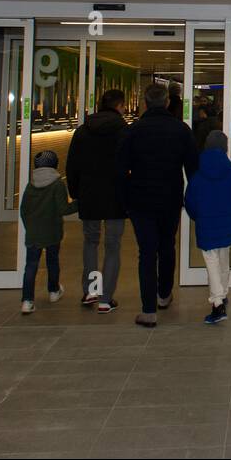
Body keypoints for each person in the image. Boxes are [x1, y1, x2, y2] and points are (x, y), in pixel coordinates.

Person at [116, 82, 199, 328]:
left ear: (144, 103)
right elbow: (192, 168)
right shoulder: (181, 130)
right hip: (170, 198)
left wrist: (125, 199)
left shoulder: (134, 130)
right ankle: (164, 294)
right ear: (166, 103)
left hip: (140, 200)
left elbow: (120, 169)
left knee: (146, 253)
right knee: (167, 247)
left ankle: (148, 309)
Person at [66, 89, 129, 313]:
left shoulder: (83, 131)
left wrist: (76, 193)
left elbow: (71, 166)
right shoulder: (123, 131)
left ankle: (91, 290)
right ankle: (106, 298)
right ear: (119, 106)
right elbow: (130, 163)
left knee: (91, 243)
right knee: (113, 246)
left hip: (89, 195)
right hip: (116, 196)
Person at [184, 131, 231, 325]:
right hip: (228, 225)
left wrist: (199, 218)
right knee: (223, 259)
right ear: (225, 149)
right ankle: (223, 293)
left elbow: (190, 202)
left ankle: (217, 303)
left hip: (206, 225)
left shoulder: (197, 176)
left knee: (211, 261)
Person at [18, 150, 78, 315]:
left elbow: (24, 210)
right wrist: (79, 203)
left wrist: (30, 226)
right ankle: (53, 291)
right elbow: (63, 209)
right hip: (52, 231)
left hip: (33, 233)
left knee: (31, 266)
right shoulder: (57, 184)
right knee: (52, 261)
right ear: (55, 164)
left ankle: (27, 300)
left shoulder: (31, 184)